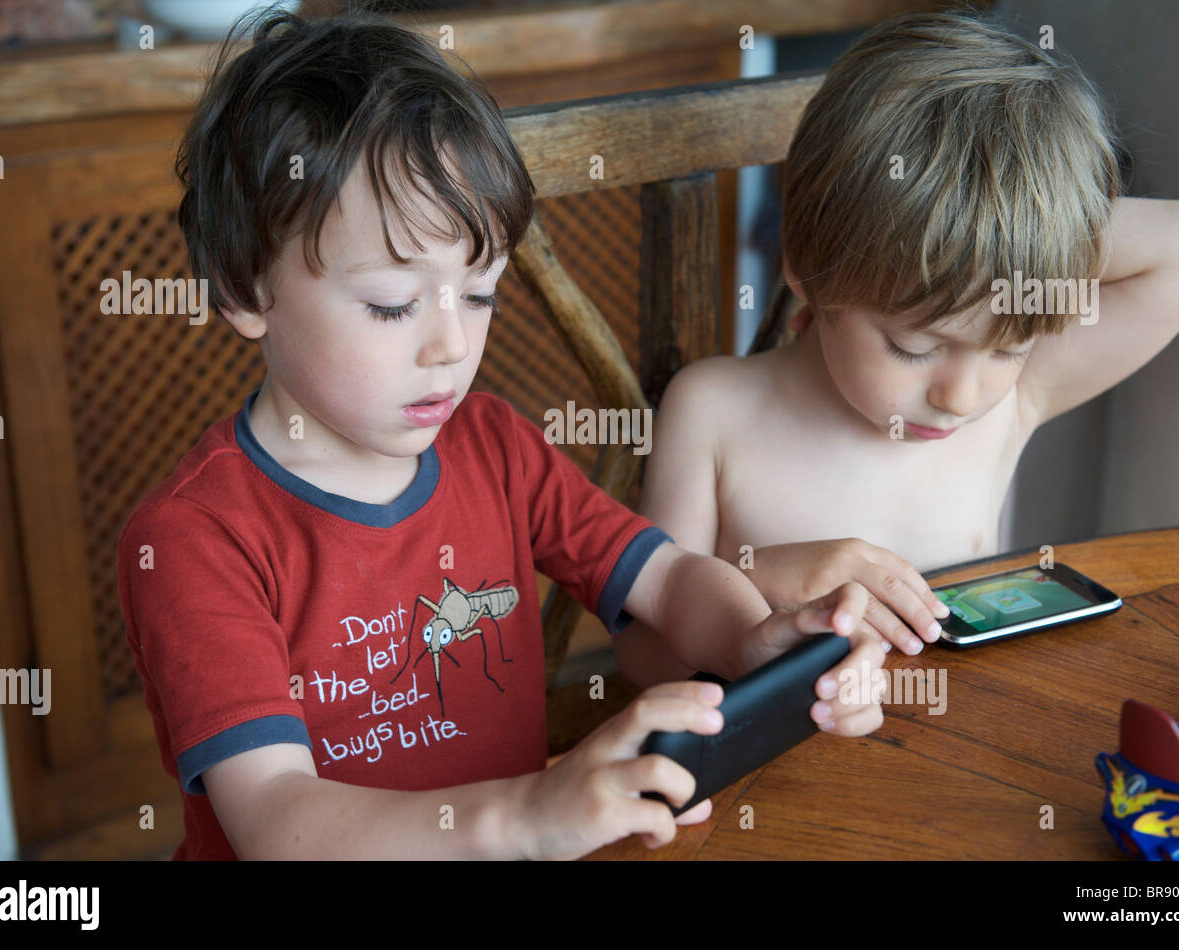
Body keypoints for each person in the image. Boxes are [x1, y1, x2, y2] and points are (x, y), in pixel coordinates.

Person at [116, 8, 892, 861]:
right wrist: (526, 815)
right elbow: (275, 821)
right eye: (392, 304)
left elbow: (666, 580)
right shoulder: (194, 539)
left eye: (479, 293)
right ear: (243, 289)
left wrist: (752, 640)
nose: (451, 345)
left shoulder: (495, 447)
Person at [613, 10, 1179, 679]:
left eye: (1008, 347)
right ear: (808, 268)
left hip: (949, 759)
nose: (961, 396)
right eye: (913, 347)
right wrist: (767, 576)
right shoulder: (712, 409)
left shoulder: (1012, 402)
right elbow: (644, 659)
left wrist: (1024, 232)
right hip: (774, 770)